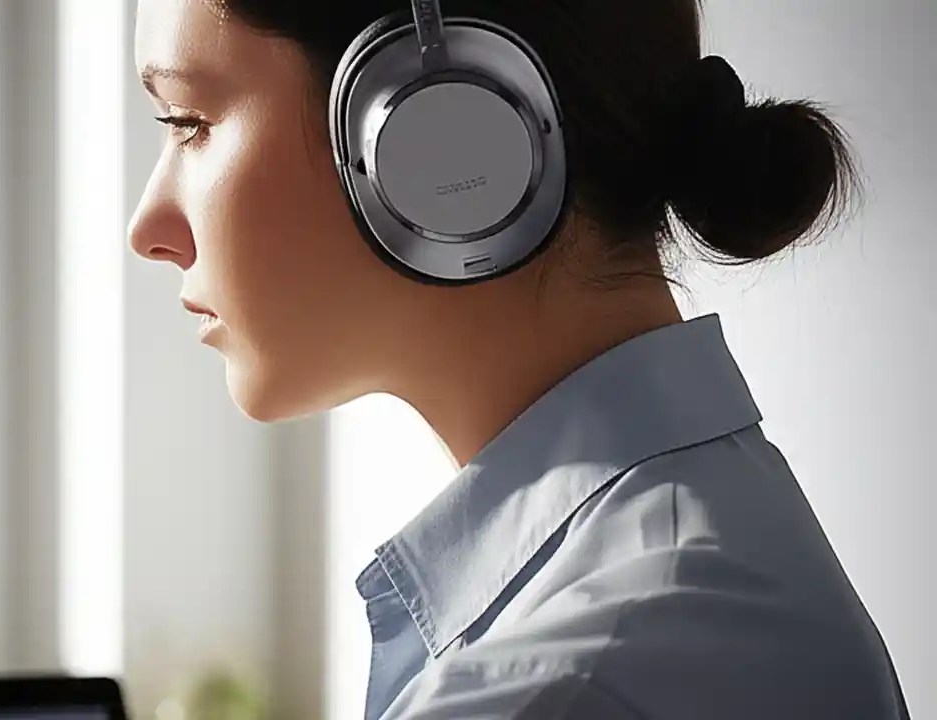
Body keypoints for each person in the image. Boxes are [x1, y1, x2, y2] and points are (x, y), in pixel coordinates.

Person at [127, 0, 911, 718]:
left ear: (437, 130)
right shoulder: (705, 573)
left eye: (188, 122)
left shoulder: (564, 688)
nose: (146, 228)